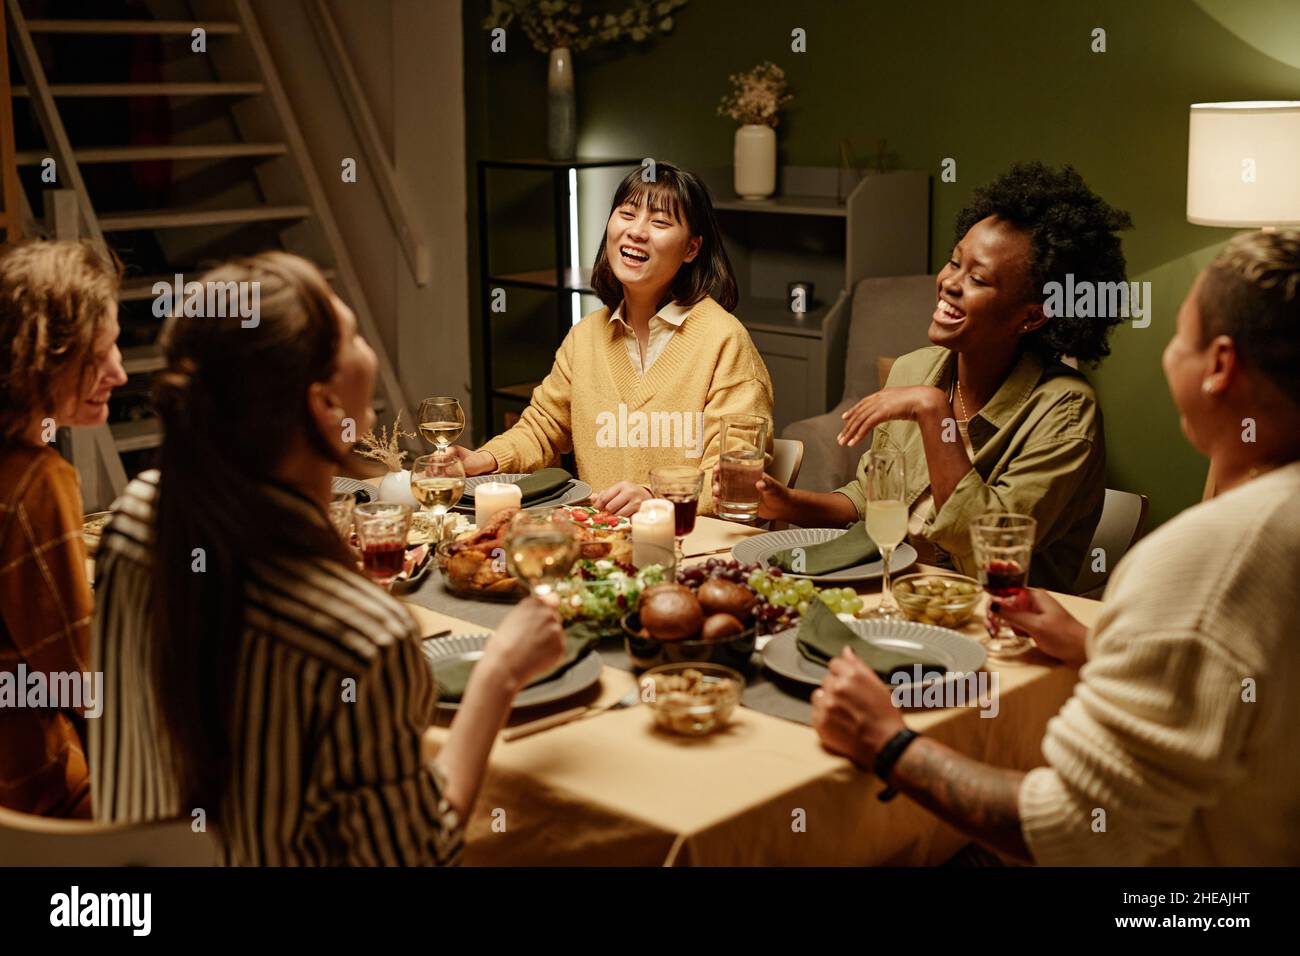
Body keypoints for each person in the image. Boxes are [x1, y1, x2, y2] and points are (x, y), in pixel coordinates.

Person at [811, 229, 1300, 866]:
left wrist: (885, 740)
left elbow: (1074, 829)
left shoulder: (1204, 561)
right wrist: (1093, 644)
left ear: (1220, 366)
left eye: (1179, 334)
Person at [91, 252, 565, 865]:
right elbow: (417, 855)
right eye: (350, 334)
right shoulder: (362, 638)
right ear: (325, 406)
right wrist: (499, 672)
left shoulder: (135, 517)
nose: (365, 344)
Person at [738, 163, 1132, 590]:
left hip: (1001, 622)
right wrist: (791, 503)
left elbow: (987, 550)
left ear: (1032, 316)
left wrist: (933, 413)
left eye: (978, 279)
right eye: (954, 262)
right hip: (901, 594)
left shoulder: (1067, 411)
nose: (949, 283)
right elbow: (872, 500)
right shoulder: (915, 368)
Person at [451, 162, 773, 516]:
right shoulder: (585, 336)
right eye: (627, 214)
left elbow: (736, 475)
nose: (637, 231)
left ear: (692, 249)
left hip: (690, 548)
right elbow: (542, 429)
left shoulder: (724, 340)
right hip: (600, 545)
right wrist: (483, 460)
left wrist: (656, 498)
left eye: (660, 222)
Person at [0, 240, 125, 819]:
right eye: (98, 356)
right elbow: (84, 684)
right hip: (37, 801)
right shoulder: (38, 481)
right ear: (46, 358)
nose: (119, 373)